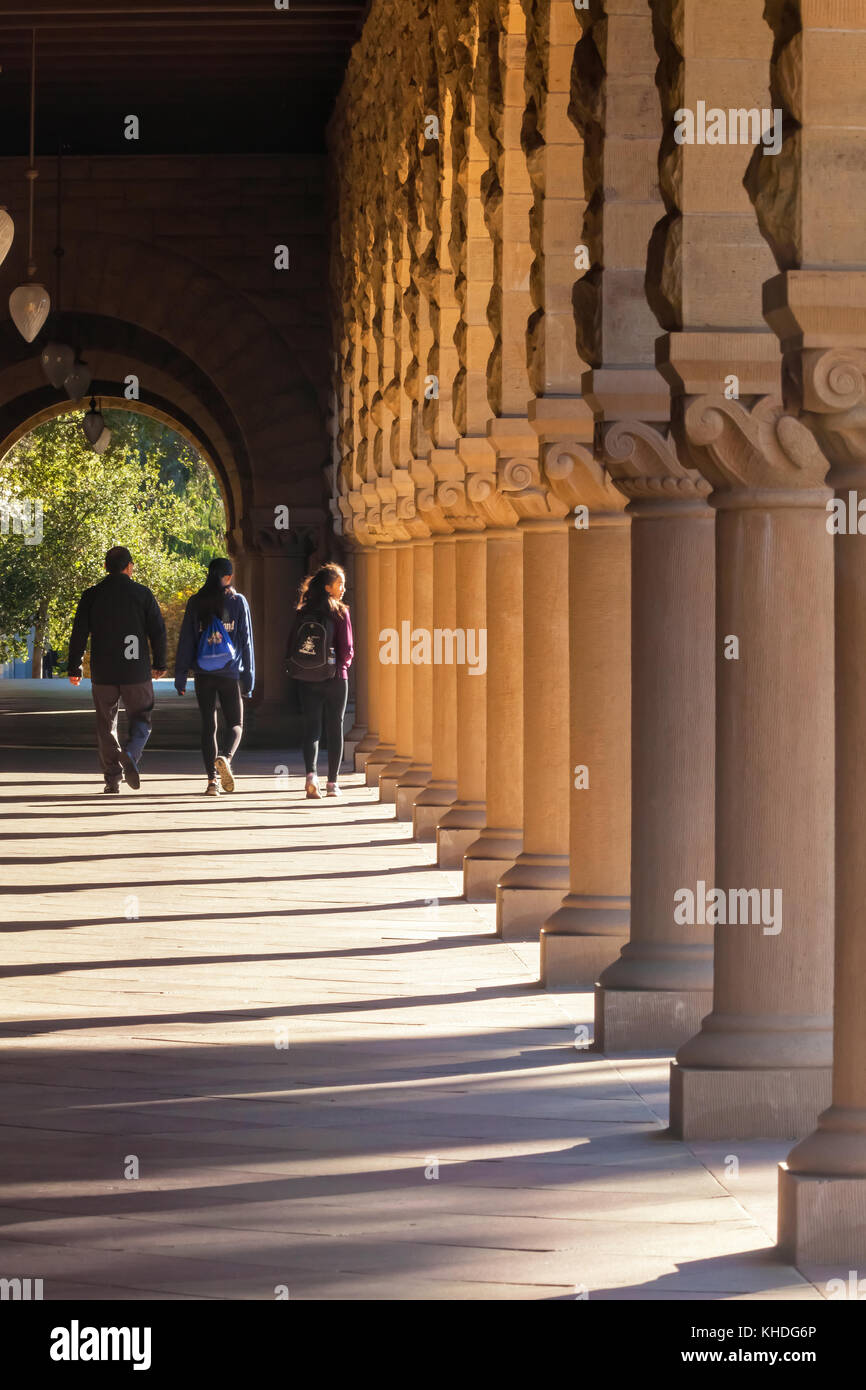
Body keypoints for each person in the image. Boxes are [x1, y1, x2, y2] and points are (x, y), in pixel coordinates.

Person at [67, 546, 167, 793]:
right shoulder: (143, 594)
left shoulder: (91, 595)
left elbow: (79, 633)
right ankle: (131, 753)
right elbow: (158, 631)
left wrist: (75, 667)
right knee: (142, 717)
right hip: (136, 672)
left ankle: (112, 778)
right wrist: (160, 664)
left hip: (104, 673)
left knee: (105, 724)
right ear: (129, 567)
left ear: (105, 567)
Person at [174, 556, 255, 796]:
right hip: (229, 671)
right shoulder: (238, 602)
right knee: (236, 724)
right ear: (228, 577)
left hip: (203, 673)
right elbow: (246, 640)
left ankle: (211, 782)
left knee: (208, 725)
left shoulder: (196, 602)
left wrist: (180, 677)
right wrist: (248, 679)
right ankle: (226, 757)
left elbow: (186, 640)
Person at [285, 562, 353, 798]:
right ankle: (333, 784)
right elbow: (347, 649)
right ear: (327, 587)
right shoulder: (341, 612)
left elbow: (292, 643)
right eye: (339, 584)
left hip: (307, 675)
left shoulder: (303, 612)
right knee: (335, 727)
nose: (343, 588)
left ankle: (310, 775)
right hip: (335, 677)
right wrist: (342, 666)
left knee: (312, 728)